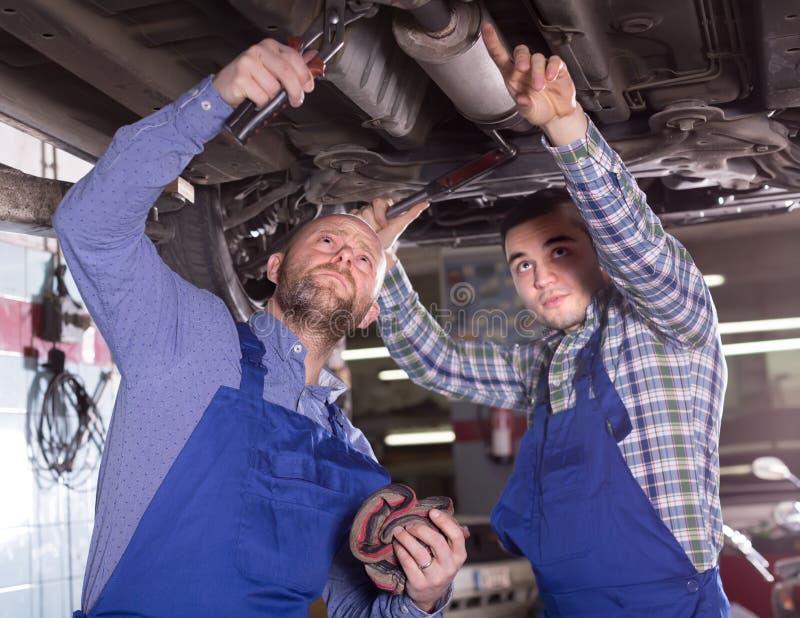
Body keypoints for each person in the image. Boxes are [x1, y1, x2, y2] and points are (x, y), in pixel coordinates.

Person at [54, 37, 466, 618]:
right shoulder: (190, 337)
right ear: (274, 268)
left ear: (370, 314)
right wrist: (216, 99)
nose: (346, 255)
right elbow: (91, 225)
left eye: (364, 259)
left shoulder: (354, 459)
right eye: (326, 241)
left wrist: (423, 599)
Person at [357, 23, 730, 617]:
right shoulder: (547, 368)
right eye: (522, 265)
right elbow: (439, 363)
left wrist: (566, 129)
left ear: (599, 255)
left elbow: (638, 247)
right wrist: (382, 258)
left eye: (560, 251)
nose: (540, 277)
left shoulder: (668, 325)